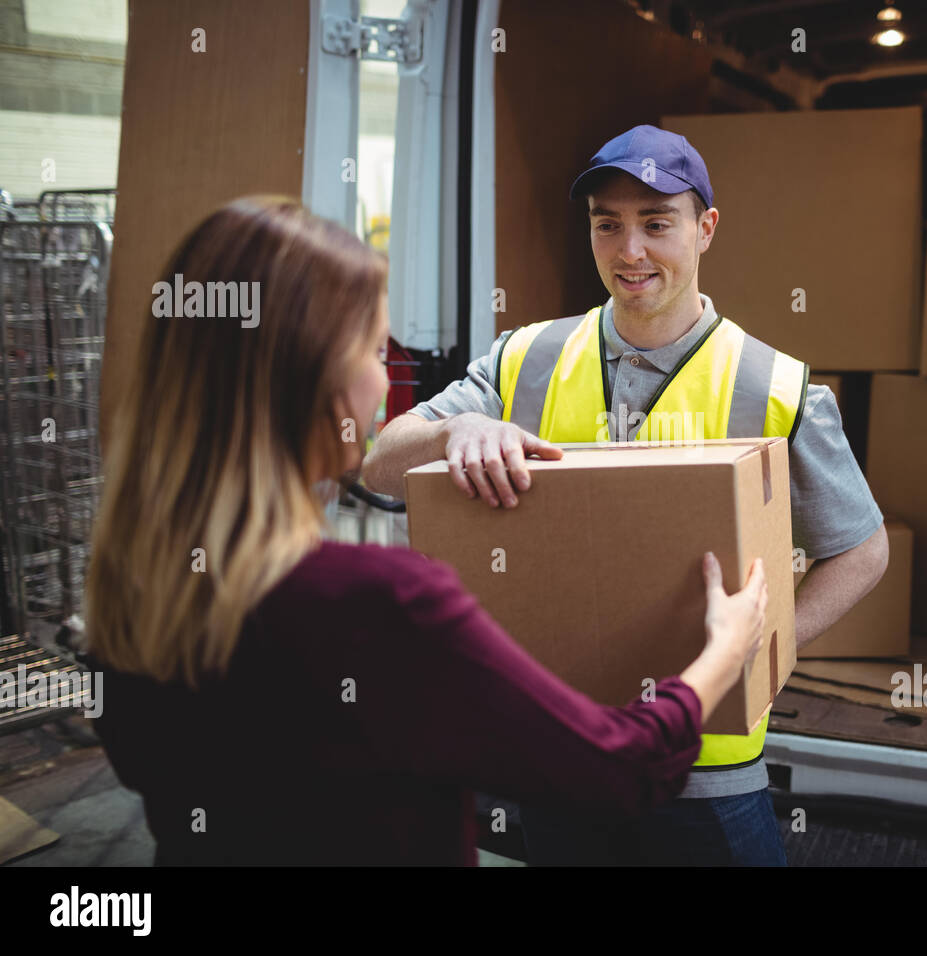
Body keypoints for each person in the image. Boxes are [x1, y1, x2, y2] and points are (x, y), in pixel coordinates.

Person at [82, 195, 770, 866]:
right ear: (314, 381)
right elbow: (619, 771)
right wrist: (722, 654)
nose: (385, 384)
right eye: (374, 352)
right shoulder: (381, 604)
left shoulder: (130, 583)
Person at [363, 125, 890, 866]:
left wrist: (769, 649)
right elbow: (379, 463)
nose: (630, 250)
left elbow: (863, 550)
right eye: (606, 224)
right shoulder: (523, 361)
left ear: (705, 229)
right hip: (561, 754)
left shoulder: (774, 386)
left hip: (710, 774)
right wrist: (458, 431)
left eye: (656, 223)